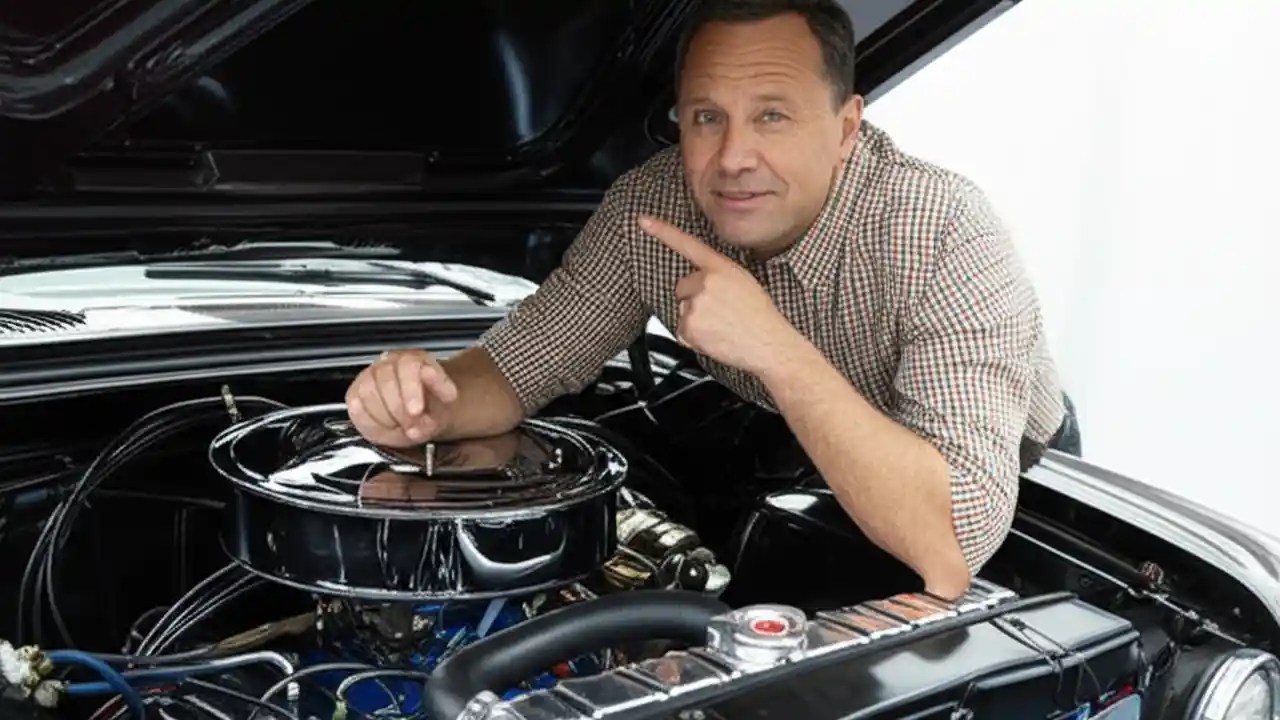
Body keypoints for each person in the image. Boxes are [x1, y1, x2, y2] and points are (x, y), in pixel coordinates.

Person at [344, 0, 1071, 599]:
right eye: (706, 117)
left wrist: (772, 346)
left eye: (772, 116)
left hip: (999, 465)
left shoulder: (944, 232)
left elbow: (952, 548)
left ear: (847, 127)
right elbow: (518, 368)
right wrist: (430, 401)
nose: (731, 158)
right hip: (803, 432)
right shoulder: (655, 208)